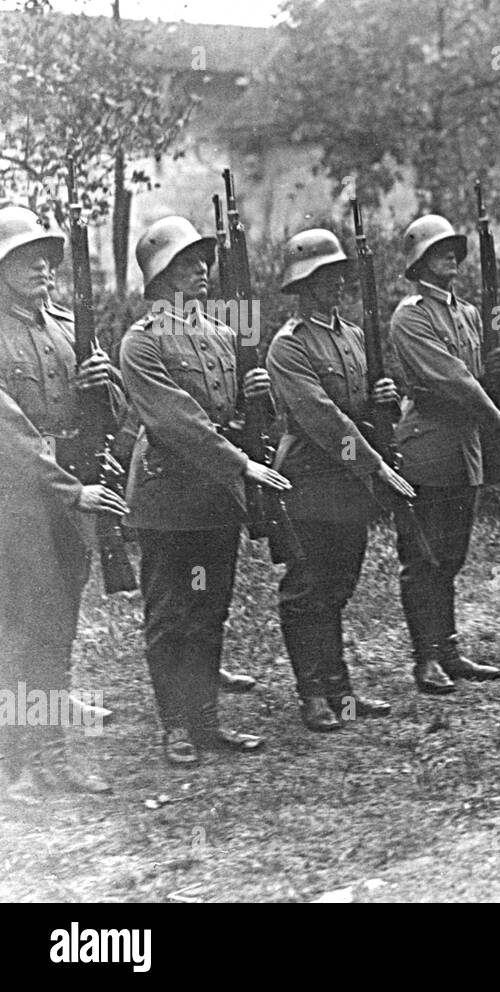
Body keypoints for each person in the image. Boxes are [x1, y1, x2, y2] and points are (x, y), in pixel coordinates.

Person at [119, 215, 292, 766]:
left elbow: (228, 417)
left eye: (204, 261)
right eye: (189, 262)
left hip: (214, 500)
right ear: (162, 272)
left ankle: (207, 722)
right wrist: (241, 464)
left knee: (208, 608)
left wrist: (255, 398)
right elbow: (177, 422)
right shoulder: (140, 344)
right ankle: (176, 727)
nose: (203, 269)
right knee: (170, 613)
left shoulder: (221, 336)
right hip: (169, 502)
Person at [266, 229, 416, 731]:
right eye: (318, 277)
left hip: (349, 484)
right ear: (300, 286)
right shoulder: (289, 348)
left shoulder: (354, 337)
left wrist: (386, 398)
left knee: (338, 586)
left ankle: (341, 689)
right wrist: (377, 467)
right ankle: (312, 692)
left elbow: (366, 411)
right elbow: (325, 419)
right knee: (307, 587)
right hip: (310, 481)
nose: (331, 284)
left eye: (336, 275)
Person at [0, 206, 126, 798]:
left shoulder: (67, 327)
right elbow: (11, 436)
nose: (42, 268)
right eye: (26, 258)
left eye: (47, 258)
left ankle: (55, 755)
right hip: (19, 505)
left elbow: (112, 414)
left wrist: (105, 384)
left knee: (60, 629)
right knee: (23, 632)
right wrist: (73, 492)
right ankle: (22, 765)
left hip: (70, 499)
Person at [385, 214, 500, 694]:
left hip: (463, 448)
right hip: (427, 446)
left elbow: (476, 377)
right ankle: (426, 659)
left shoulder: (465, 312)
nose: (452, 255)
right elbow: (454, 380)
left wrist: (497, 369)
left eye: (454, 247)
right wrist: (499, 425)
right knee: (423, 557)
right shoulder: (412, 315)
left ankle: (448, 651)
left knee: (451, 555)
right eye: (441, 248)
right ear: (420, 259)